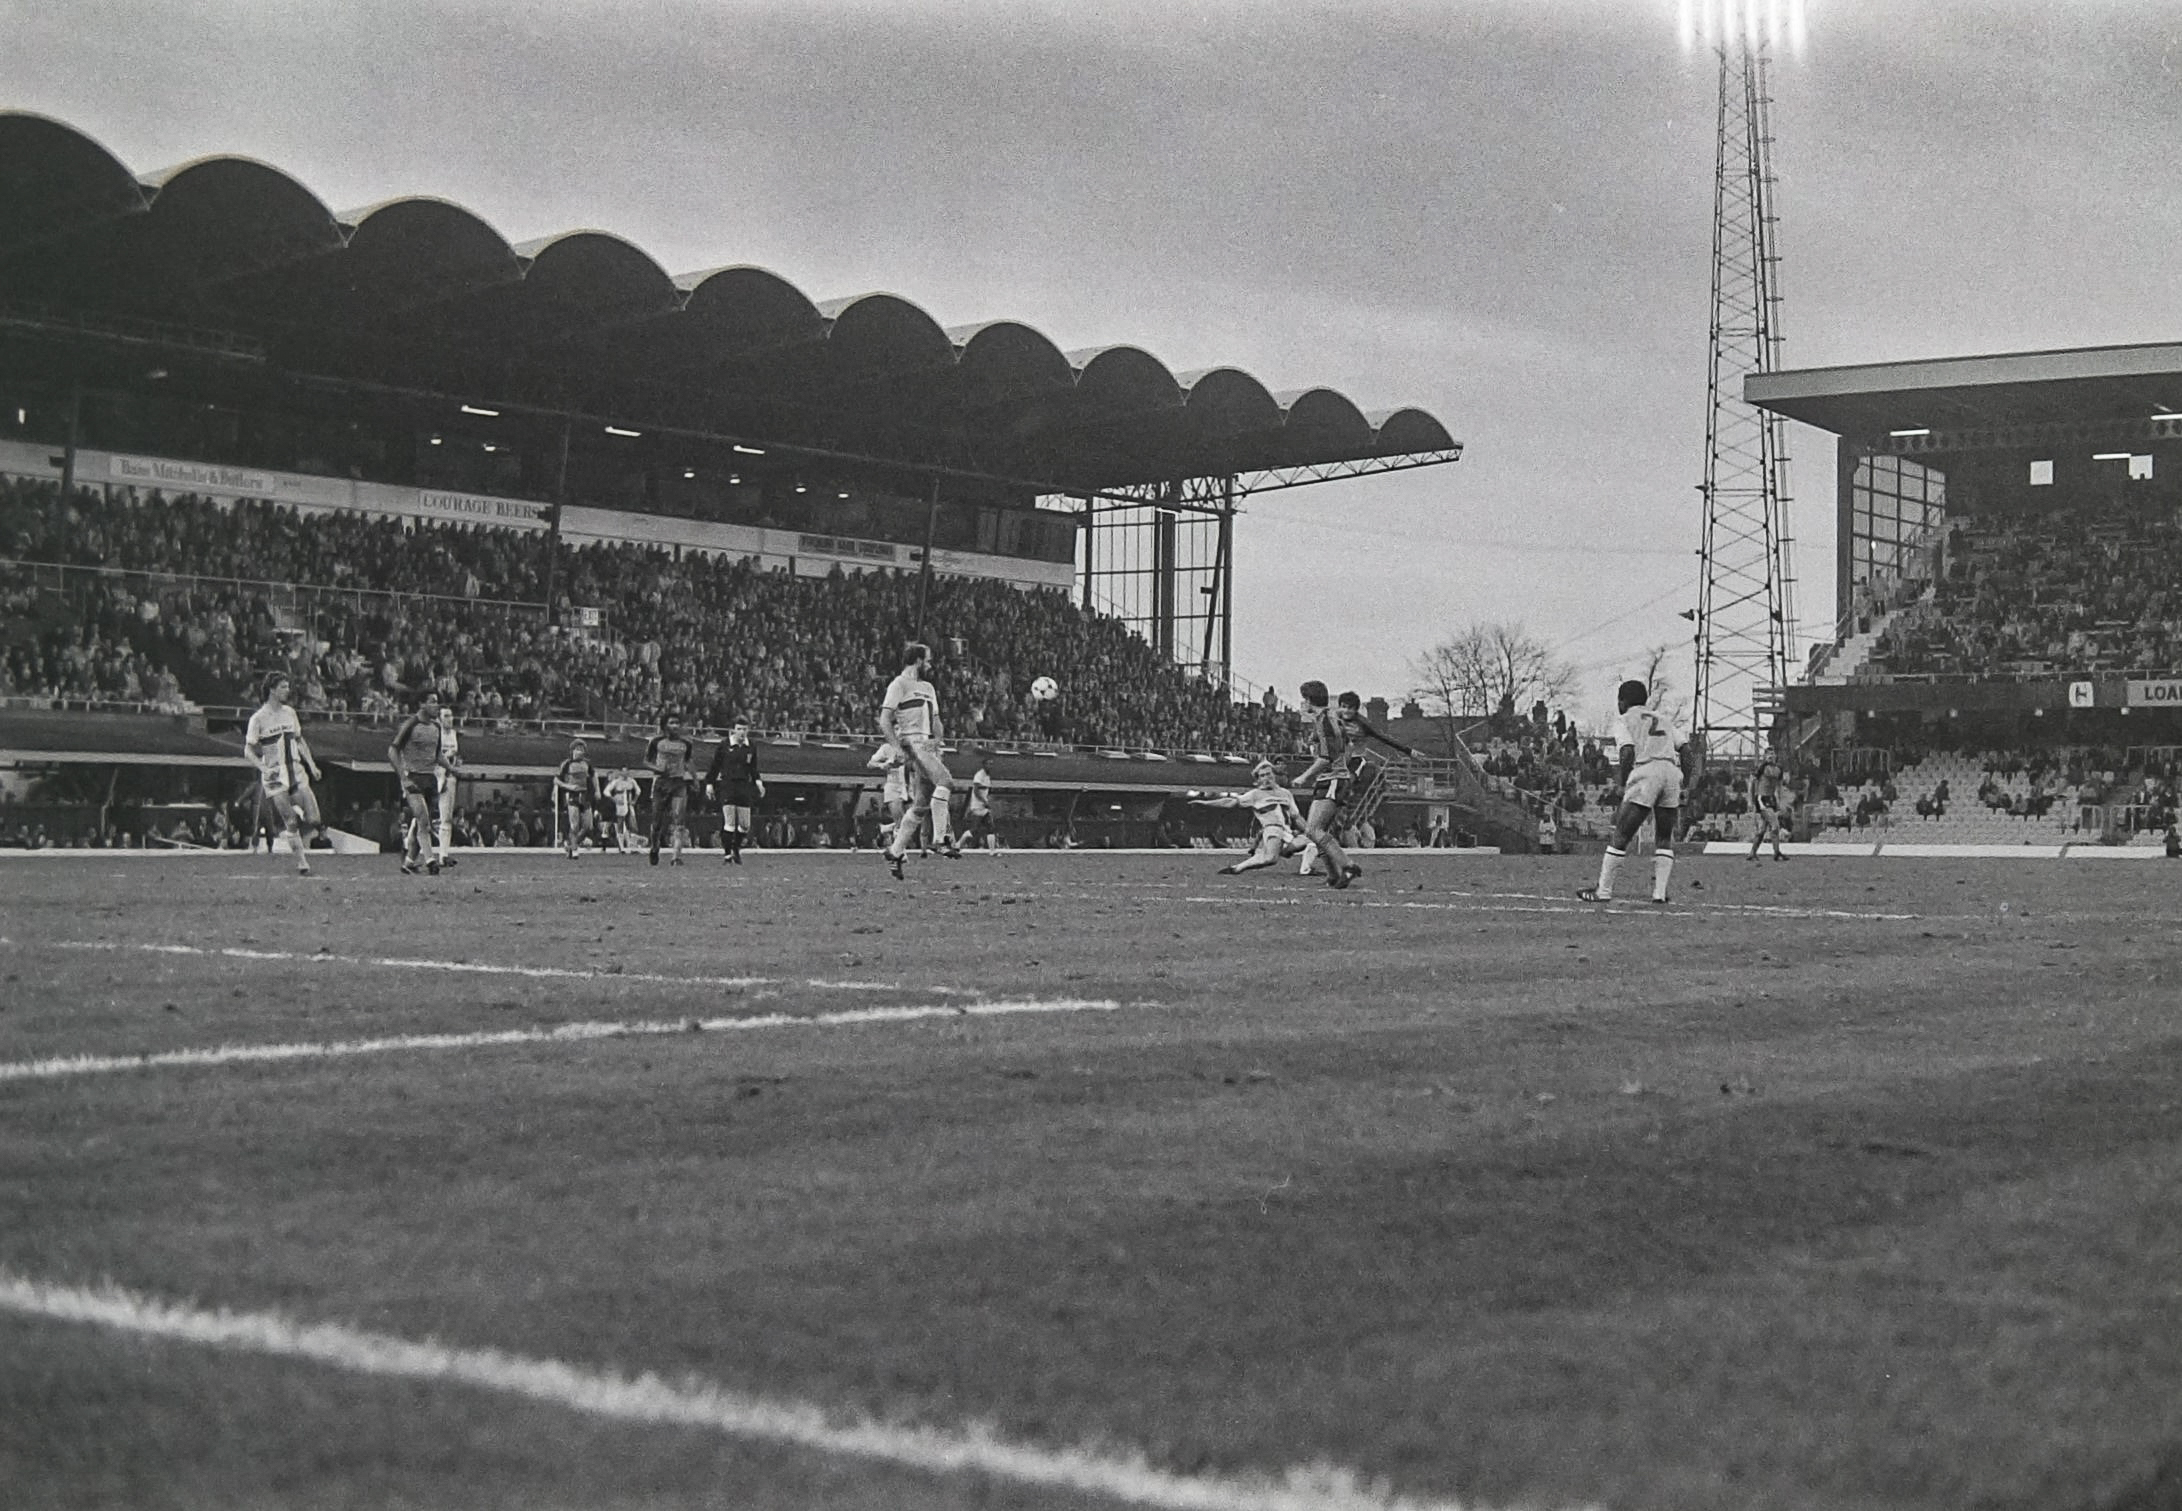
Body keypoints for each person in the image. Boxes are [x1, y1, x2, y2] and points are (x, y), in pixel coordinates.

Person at [1580, 679, 1698, 906]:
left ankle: (1603, 891)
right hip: (1670, 772)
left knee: (1621, 834)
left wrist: (1626, 782)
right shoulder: (1662, 719)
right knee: (1664, 837)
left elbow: (1626, 752)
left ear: (1622, 701)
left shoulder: (1624, 720)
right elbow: (1686, 749)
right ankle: (1659, 894)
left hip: (1645, 772)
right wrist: (1684, 780)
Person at [880, 640, 961, 880]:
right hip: (914, 741)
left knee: (921, 804)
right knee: (946, 782)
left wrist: (938, 738)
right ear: (917, 660)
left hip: (928, 743)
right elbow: (885, 720)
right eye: (927, 659)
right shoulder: (899, 685)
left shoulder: (927, 687)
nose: (930, 663)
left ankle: (895, 851)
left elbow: (935, 718)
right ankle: (941, 838)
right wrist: (896, 748)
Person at [243, 671, 324, 875]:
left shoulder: (290, 713)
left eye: (288, 686)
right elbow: (248, 750)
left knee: (314, 819)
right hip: (275, 776)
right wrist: (263, 768)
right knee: (290, 821)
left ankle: (297, 812)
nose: (288, 691)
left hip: (296, 770)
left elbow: (299, 739)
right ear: (272, 690)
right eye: (283, 687)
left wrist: (312, 765)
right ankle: (302, 863)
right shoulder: (258, 719)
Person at [1290, 681, 1360, 889]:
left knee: (1313, 829)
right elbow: (1347, 745)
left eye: (1305, 699)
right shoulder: (1330, 718)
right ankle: (1333, 875)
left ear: (1310, 700)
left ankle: (1348, 866)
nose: (1303, 703)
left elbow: (1326, 758)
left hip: (1331, 779)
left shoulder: (1326, 721)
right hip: (1333, 778)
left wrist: (1304, 776)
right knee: (1317, 831)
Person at [1192, 759, 1307, 875]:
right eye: (1262, 776)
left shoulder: (1285, 793)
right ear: (1258, 779)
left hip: (1288, 831)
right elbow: (1230, 802)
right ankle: (1237, 868)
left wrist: (1309, 830)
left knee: (1313, 840)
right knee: (1271, 859)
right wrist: (1206, 803)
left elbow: (1296, 816)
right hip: (1272, 829)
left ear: (1274, 775)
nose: (1266, 778)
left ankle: (1305, 868)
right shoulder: (1255, 794)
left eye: (1268, 774)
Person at [387, 690, 448, 876]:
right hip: (413, 777)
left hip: (430, 777)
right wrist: (403, 778)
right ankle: (431, 861)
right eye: (433, 702)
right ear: (422, 704)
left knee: (422, 824)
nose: (436, 705)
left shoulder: (436, 727)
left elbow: (437, 755)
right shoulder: (411, 725)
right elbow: (392, 751)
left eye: (437, 702)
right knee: (423, 821)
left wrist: (451, 769)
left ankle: (409, 862)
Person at [704, 720, 764, 865]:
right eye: (739, 729)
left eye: (744, 729)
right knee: (729, 823)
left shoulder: (751, 747)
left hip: (744, 786)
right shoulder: (724, 745)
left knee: (745, 825)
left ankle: (735, 848)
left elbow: (753, 767)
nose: (742, 732)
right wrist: (709, 784)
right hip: (728, 785)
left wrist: (759, 782)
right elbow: (715, 766)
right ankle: (727, 855)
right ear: (733, 730)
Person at [645, 711, 698, 866]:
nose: (675, 726)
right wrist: (657, 768)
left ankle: (676, 856)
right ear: (665, 725)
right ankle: (654, 848)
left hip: (678, 783)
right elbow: (645, 761)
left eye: (677, 723)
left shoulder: (686, 744)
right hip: (661, 783)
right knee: (657, 822)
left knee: (679, 819)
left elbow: (689, 761)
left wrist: (695, 779)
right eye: (671, 723)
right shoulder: (656, 742)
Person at [555, 737, 600, 859]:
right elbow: (557, 780)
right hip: (572, 795)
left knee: (588, 826)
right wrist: (568, 786)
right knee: (574, 825)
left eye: (582, 749)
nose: (581, 751)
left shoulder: (587, 763)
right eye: (578, 749)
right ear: (573, 750)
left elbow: (594, 775)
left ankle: (570, 845)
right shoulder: (567, 764)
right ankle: (575, 851)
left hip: (585, 795)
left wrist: (597, 790)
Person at [435, 704, 462, 869]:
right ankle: (410, 851)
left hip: (449, 777)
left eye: (451, 715)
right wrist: (446, 756)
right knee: (421, 817)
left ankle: (443, 855)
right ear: (439, 718)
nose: (449, 719)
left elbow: (457, 755)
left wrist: (456, 762)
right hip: (437, 776)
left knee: (447, 818)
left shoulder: (453, 735)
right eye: (446, 716)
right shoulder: (436, 735)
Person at [1747, 753, 1789, 862]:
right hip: (1762, 799)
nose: (1771, 757)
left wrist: (1779, 801)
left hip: (1771, 799)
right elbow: (1752, 783)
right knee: (1775, 825)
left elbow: (1779, 786)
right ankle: (1776, 853)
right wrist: (1750, 800)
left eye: (1773, 755)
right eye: (1769, 755)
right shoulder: (1761, 768)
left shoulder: (1779, 770)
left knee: (1762, 829)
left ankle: (1752, 853)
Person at [604, 767, 642, 854]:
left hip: (629, 803)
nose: (625, 774)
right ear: (621, 772)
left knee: (632, 825)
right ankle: (621, 846)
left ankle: (632, 846)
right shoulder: (617, 781)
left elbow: (638, 790)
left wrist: (634, 800)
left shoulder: (631, 781)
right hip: (620, 804)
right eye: (623, 772)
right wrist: (614, 799)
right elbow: (607, 791)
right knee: (620, 823)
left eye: (626, 772)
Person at [965, 754, 996, 850]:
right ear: (984, 764)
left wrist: (987, 800)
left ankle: (992, 850)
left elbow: (986, 791)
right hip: (978, 806)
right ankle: (959, 844)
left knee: (991, 827)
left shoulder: (987, 776)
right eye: (988, 764)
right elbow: (976, 791)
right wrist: (984, 801)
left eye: (992, 764)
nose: (990, 766)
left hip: (984, 807)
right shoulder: (979, 775)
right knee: (974, 829)